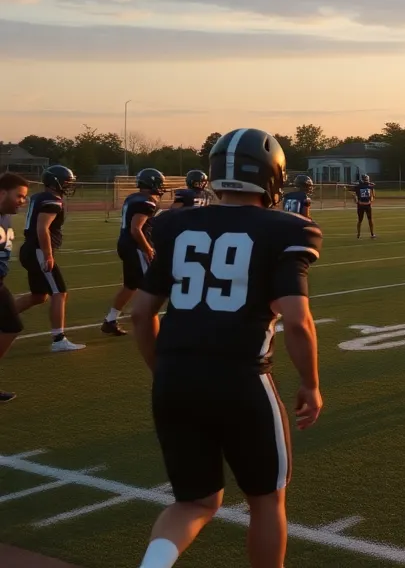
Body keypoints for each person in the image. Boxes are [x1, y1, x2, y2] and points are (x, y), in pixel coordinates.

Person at [130, 128, 323, 568]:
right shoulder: (286, 229)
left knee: (194, 503)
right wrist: (311, 384)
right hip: (241, 380)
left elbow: (141, 314)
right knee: (266, 501)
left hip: (176, 379)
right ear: (272, 175)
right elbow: (296, 319)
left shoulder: (176, 223)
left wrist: (162, 370)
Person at [18, 165, 84, 352]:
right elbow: (42, 228)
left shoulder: (40, 196)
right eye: (66, 181)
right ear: (55, 181)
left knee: (39, 296)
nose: (69, 185)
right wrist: (47, 254)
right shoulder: (52, 200)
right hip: (39, 249)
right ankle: (58, 339)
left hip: (30, 248)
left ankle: (4, 317)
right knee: (59, 292)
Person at [101, 168, 165, 337]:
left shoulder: (133, 198)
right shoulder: (146, 201)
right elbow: (136, 229)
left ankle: (110, 320)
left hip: (125, 244)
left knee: (130, 286)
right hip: (136, 246)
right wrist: (148, 248)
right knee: (151, 286)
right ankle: (149, 324)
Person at [0, 173, 31, 402]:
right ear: (2, 193)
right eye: (19, 196)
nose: (22, 201)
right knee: (11, 325)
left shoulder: (5, 217)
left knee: (11, 326)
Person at [349, 174, 375, 239]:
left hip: (365, 205)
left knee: (368, 220)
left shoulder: (367, 186)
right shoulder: (360, 186)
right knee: (362, 220)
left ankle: (370, 234)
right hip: (362, 205)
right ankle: (359, 234)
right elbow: (352, 190)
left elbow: (372, 194)